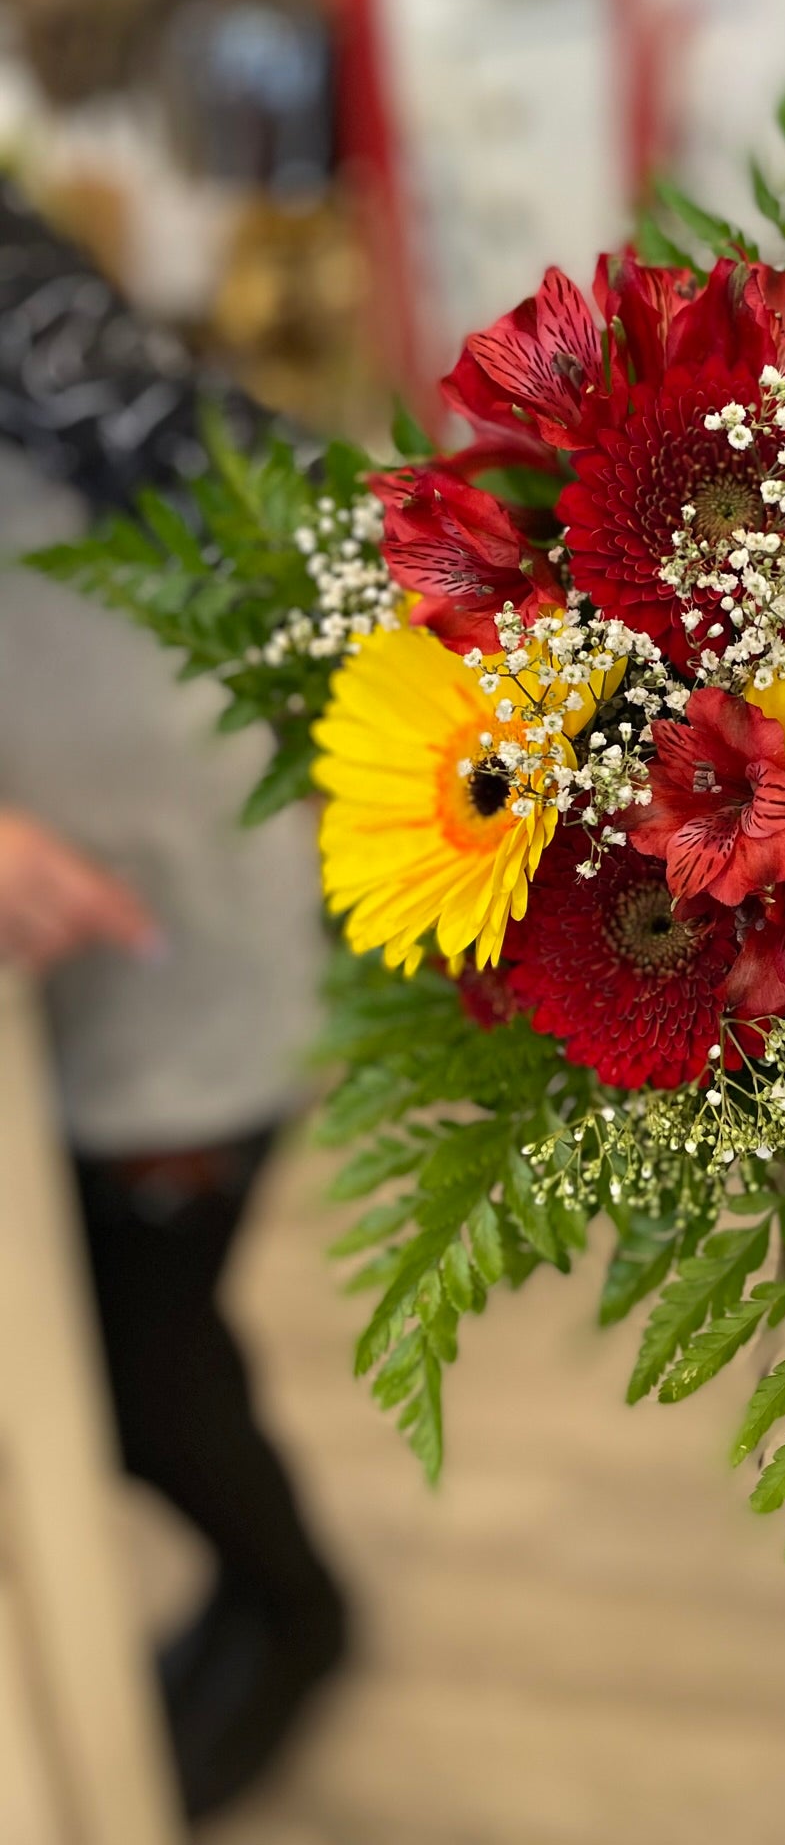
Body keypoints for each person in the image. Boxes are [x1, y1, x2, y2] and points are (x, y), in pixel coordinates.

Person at [0, 177, 346, 1819]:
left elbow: (264, 483)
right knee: (102, 1358)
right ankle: (267, 1609)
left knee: (137, 1366)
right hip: (88, 947)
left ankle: (294, 1614)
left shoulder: (26, 300)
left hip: (165, 940)